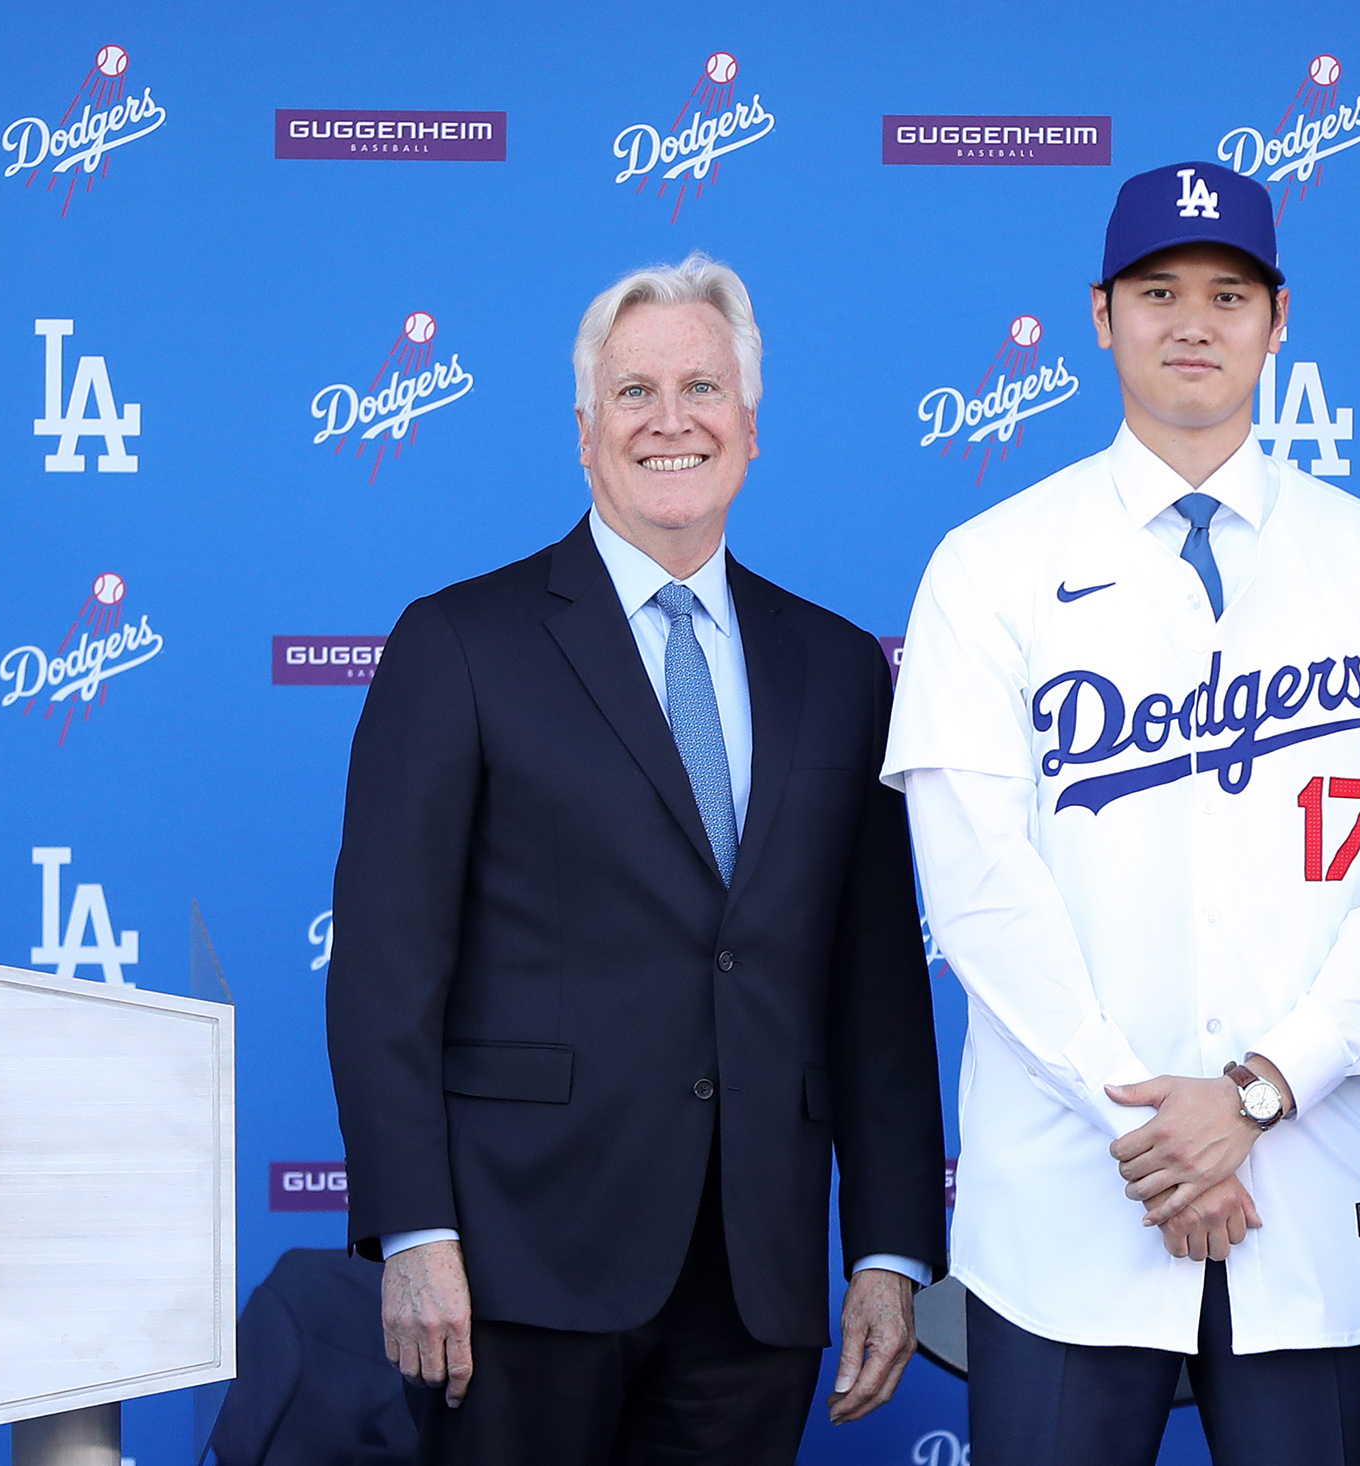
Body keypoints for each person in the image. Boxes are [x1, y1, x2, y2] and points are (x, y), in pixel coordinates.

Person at [882, 160, 1360, 1465]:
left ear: (1280, 321)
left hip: (1312, 1193)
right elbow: (980, 887)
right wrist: (1152, 1128)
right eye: (1158, 290)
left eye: (1231, 291)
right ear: (1100, 317)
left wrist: (1261, 1092)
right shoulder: (989, 564)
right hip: (1069, 1199)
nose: (1194, 321)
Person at [326, 253, 946, 1466]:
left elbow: (876, 988)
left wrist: (885, 1249)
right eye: (635, 392)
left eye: (703, 387)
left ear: (752, 427)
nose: (673, 420)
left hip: (754, 1276)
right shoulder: (459, 643)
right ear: (584, 432)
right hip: (510, 1268)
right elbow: (385, 971)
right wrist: (412, 1229)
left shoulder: (836, 668)